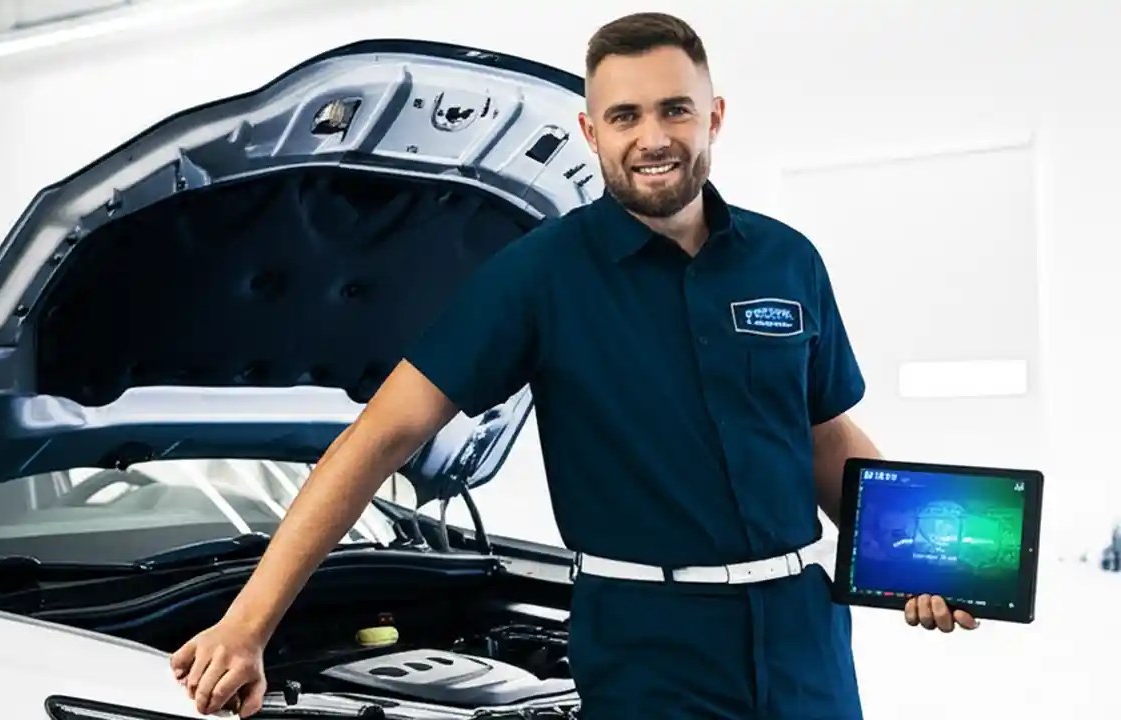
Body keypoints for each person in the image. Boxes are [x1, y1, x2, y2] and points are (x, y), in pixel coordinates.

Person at [169, 12, 978, 719]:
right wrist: (248, 624)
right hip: (648, 653)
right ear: (592, 132)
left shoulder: (786, 260)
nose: (652, 137)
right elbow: (380, 437)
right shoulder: (538, 277)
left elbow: (825, 434)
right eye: (624, 115)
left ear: (714, 118)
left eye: (674, 110)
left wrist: (916, 563)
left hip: (807, 638)